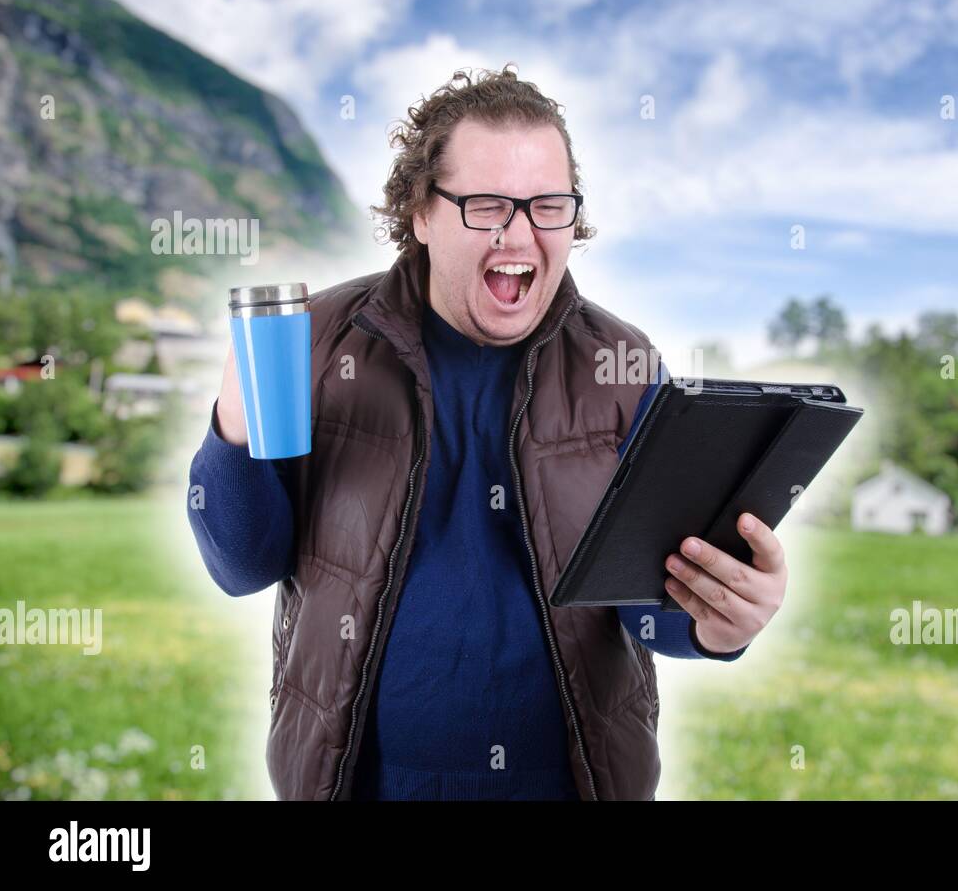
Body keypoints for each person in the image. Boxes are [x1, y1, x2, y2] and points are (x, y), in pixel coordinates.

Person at [186, 66, 788, 801]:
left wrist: (717, 625)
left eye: (548, 205)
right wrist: (233, 430)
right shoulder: (315, 340)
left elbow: (645, 605)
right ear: (421, 213)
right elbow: (242, 565)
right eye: (487, 204)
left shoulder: (625, 365)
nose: (520, 232)